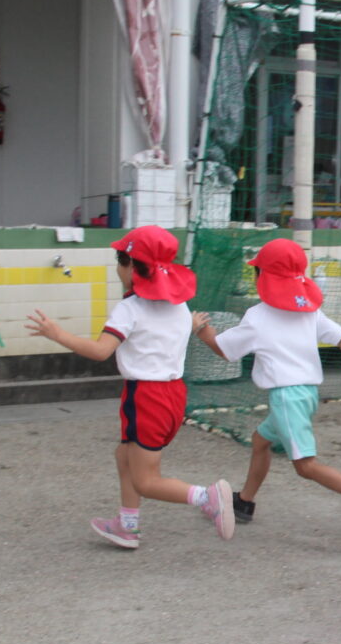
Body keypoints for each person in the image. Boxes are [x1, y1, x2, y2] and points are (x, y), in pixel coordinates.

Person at [23, 226, 235, 549]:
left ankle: (207, 498)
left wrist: (57, 334)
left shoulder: (129, 309)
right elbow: (178, 330)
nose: (117, 268)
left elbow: (100, 351)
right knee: (124, 455)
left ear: (131, 267)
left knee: (146, 480)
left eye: (119, 261)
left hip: (145, 398)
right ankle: (127, 525)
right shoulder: (179, 306)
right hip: (172, 395)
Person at [196, 238, 341, 542]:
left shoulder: (258, 316)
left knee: (305, 465)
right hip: (306, 394)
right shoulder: (309, 310)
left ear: (263, 278)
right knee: (260, 441)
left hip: (286, 397)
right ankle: (244, 502)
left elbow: (225, 349)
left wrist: (204, 332)